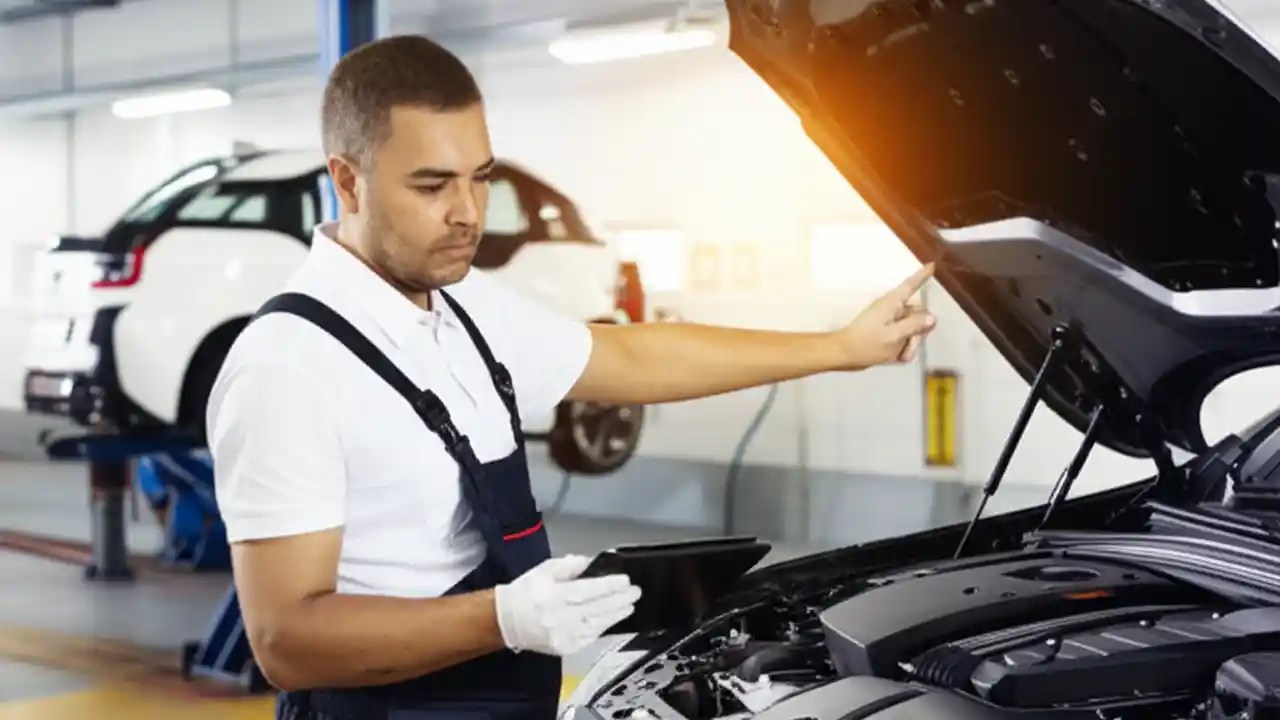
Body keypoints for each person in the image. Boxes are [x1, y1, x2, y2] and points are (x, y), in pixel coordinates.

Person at [207, 35, 937, 720]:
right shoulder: (287, 367)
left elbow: (633, 358)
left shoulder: (462, 307)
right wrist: (502, 616)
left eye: (480, 178)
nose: (467, 214)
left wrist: (842, 346)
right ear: (348, 182)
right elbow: (285, 642)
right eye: (432, 186)